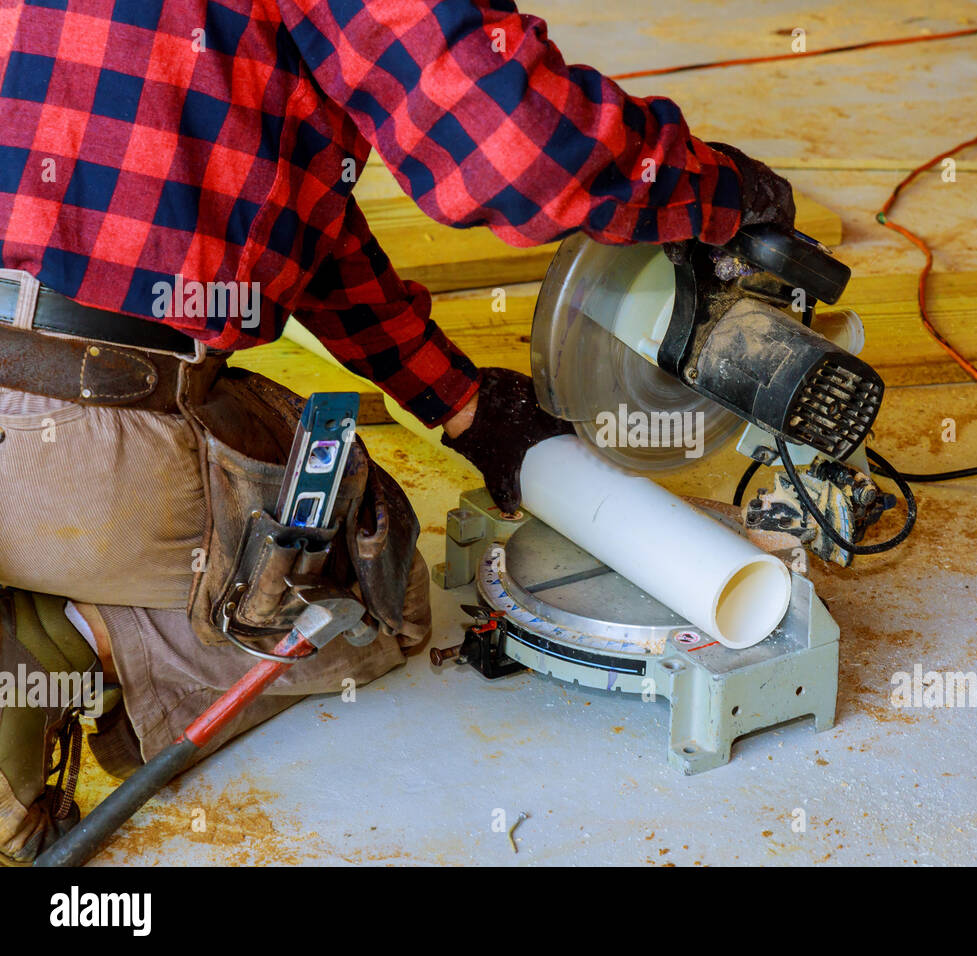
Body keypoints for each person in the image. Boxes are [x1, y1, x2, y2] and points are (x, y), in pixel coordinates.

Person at [0, 0, 795, 864]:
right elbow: (509, 147)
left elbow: (291, 223)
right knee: (370, 593)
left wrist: (465, 406)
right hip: (74, 427)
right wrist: (716, 192)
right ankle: (66, 635)